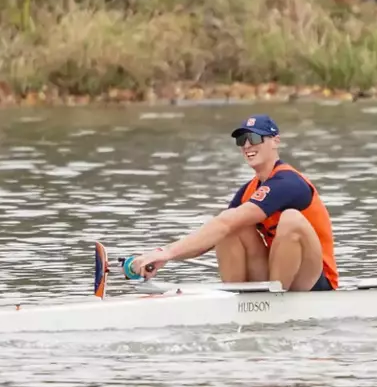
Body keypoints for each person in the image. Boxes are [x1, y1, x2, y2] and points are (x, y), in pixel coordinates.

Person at [123, 114, 339, 291]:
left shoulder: (290, 182)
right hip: (278, 277)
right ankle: (238, 298)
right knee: (229, 229)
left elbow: (227, 221)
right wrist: (163, 257)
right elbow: (217, 232)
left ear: (275, 141)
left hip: (314, 280)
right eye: (241, 140)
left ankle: (274, 300)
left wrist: (167, 251)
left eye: (255, 138)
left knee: (290, 219)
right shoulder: (248, 191)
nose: (247, 146)